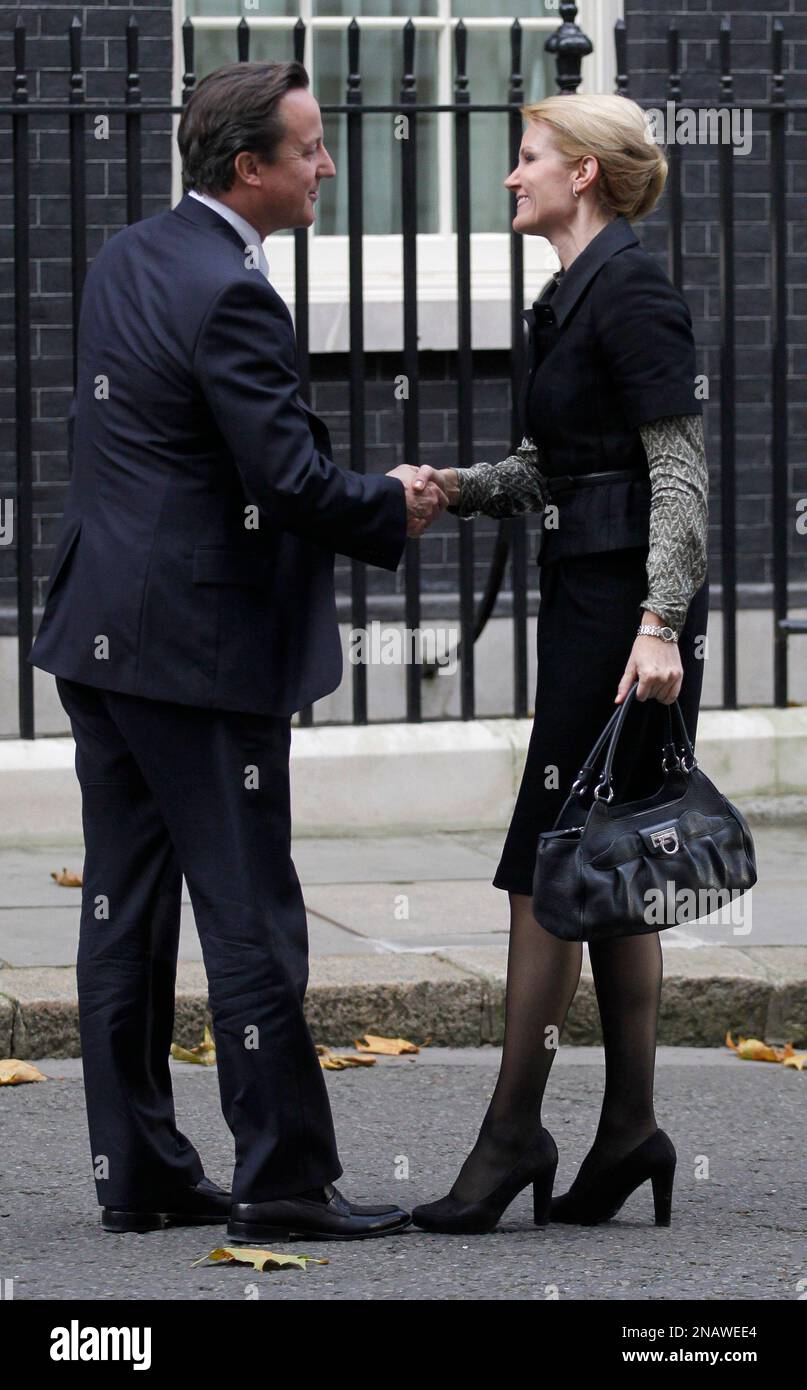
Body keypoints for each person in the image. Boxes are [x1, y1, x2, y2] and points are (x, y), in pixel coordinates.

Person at [28, 60, 448, 1243]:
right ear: (247, 167)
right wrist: (390, 501)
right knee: (251, 912)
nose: (326, 166)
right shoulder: (234, 292)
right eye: (309, 149)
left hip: (99, 633)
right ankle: (283, 1179)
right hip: (196, 651)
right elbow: (289, 478)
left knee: (124, 908)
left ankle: (141, 1171)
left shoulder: (129, 255)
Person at [411, 93, 709, 1234]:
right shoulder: (569, 295)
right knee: (616, 860)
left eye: (527, 158)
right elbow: (561, 464)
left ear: (583, 171)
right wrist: (462, 489)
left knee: (548, 865)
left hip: (626, 619)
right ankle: (630, 1128)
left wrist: (661, 622)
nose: (510, 177)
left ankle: (509, 1136)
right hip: (590, 602)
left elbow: (676, 471)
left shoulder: (633, 292)